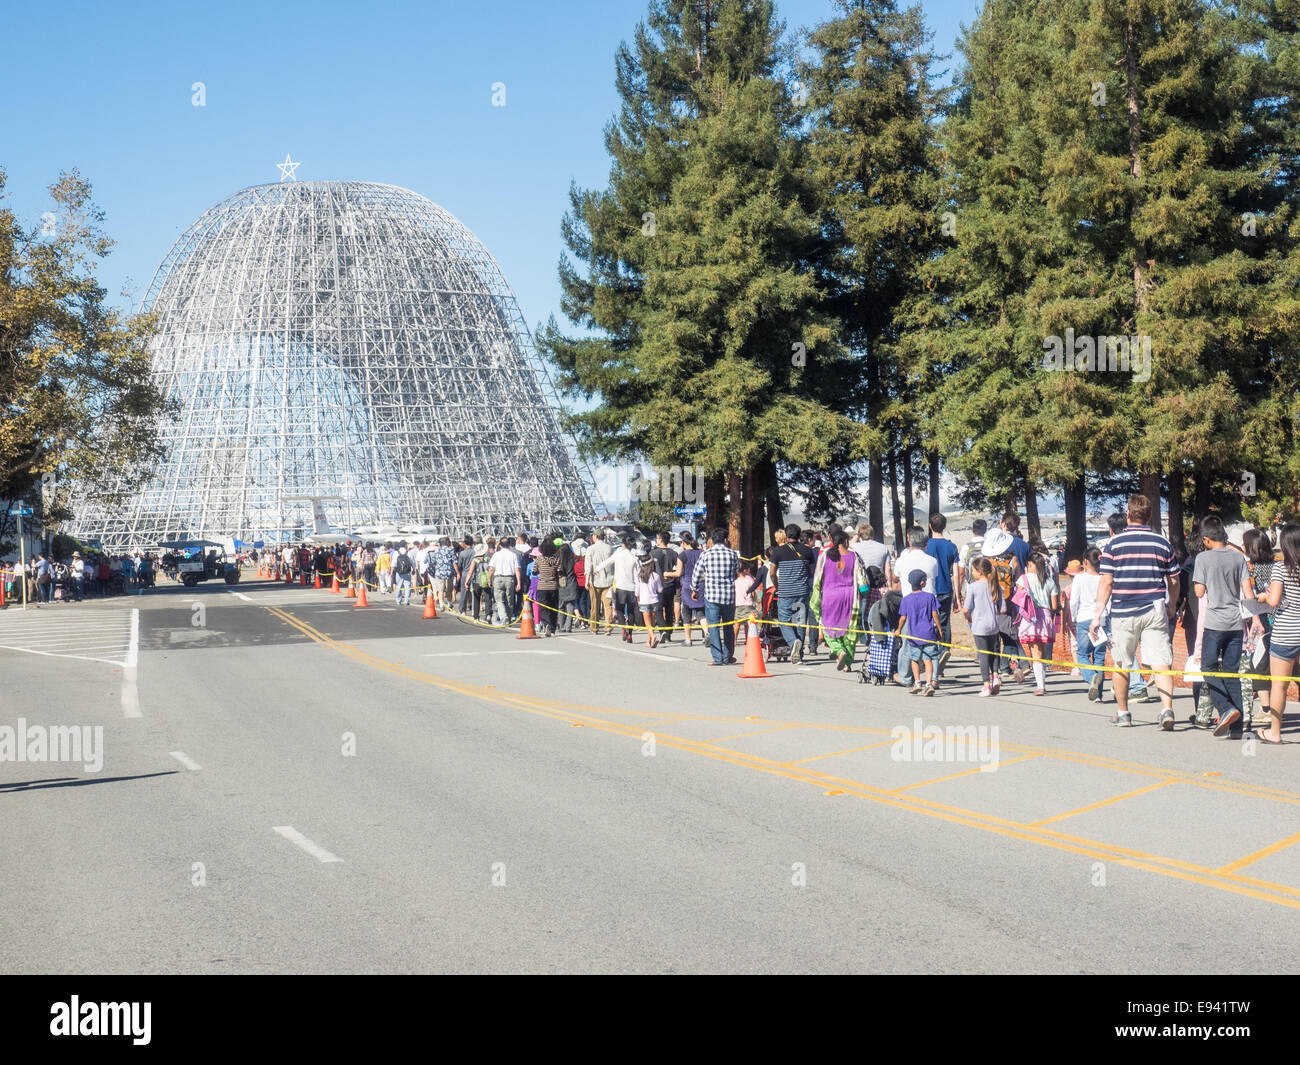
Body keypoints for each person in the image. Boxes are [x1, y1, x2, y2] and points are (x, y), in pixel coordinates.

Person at [1090, 493, 1180, 729]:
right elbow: (1174, 579)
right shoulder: (1162, 543)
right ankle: (1166, 709)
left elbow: (1106, 582)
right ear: (1149, 515)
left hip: (1123, 611)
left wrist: (1098, 614)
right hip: (1154, 608)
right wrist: (1172, 604)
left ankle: (1123, 713)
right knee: (1161, 662)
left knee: (1121, 663)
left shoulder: (1114, 544)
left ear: (1128, 514)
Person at [1193, 515, 1255, 737]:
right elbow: (1248, 592)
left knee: (1208, 668)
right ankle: (1238, 727)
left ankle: (1226, 708)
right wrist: (1256, 620)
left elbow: (1199, 592)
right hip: (1236, 623)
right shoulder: (1238, 559)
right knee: (1232, 673)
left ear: (1207, 539)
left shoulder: (1203, 558)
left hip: (1214, 623)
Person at [1253, 522, 1300, 744]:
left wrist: (1262, 597)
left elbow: (1272, 601)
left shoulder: (1281, 568)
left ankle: (1275, 732)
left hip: (1285, 632)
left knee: (1279, 685)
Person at [812, 530, 865, 671]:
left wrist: (817, 595)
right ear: (846, 541)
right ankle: (847, 663)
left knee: (827, 626)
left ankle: (838, 649)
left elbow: (817, 577)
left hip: (830, 595)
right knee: (849, 629)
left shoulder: (824, 555)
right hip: (849, 596)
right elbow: (862, 578)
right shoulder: (855, 556)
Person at [689, 527, 740, 665]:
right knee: (728, 626)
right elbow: (737, 571)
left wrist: (695, 589)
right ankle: (728, 656)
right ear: (725, 540)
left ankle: (718, 657)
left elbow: (697, 574)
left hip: (711, 596)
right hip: (728, 596)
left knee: (714, 626)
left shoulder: (706, 554)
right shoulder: (732, 554)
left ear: (712, 540)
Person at [1241, 528, 1275, 731]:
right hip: (1282, 623)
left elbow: (1250, 596)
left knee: (1259, 665)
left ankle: (1266, 709)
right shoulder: (1279, 566)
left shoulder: (1250, 569)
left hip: (1260, 622)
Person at [1015, 552, 1060, 696]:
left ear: (1030, 564)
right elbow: (1054, 606)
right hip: (1046, 618)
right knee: (1041, 651)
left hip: (1031, 618)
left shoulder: (1023, 579)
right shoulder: (1050, 582)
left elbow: (1019, 600)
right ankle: (1042, 683)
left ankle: (1041, 686)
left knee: (1035, 653)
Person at [771, 523, 814, 664]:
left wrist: (777, 586)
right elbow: (811, 570)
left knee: (784, 621)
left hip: (785, 592)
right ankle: (799, 656)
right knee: (799, 622)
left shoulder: (777, 552)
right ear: (799, 534)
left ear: (786, 534)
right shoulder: (807, 551)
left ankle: (793, 641)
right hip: (802, 592)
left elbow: (772, 573)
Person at [925, 513, 961, 675]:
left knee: (929, 622)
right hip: (946, 588)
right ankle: (944, 649)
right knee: (945, 623)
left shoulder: (926, 546)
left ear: (930, 526)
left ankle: (933, 655)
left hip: (929, 589)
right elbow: (956, 573)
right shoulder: (951, 546)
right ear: (944, 526)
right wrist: (958, 595)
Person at [1070, 548, 1108, 702]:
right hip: (1102, 618)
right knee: (1099, 657)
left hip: (1084, 618)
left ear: (1085, 561)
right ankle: (1098, 694)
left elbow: (1074, 601)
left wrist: (1073, 617)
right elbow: (1108, 600)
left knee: (1083, 655)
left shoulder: (1079, 579)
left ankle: (1092, 678)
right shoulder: (1103, 578)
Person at [896, 570, 942, 695]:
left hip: (914, 635)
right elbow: (935, 615)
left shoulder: (906, 600)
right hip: (928, 634)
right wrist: (940, 629)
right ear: (922, 583)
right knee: (928, 660)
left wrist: (898, 629)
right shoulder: (930, 597)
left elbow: (903, 618)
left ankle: (917, 682)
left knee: (914, 659)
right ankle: (928, 683)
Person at [964, 557, 1002, 696]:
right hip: (993, 624)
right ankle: (996, 676)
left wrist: (968, 618)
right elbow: (1002, 608)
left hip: (979, 625)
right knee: (994, 651)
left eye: (973, 570)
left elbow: (966, 608)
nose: (972, 573)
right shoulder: (995, 585)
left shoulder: (973, 587)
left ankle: (986, 684)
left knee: (983, 655)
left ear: (980, 572)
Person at [594, 536, 640, 643]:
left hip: (620, 586)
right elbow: (637, 575)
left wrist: (597, 569)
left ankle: (624, 628)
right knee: (631, 611)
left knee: (619, 609)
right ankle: (630, 634)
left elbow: (607, 562)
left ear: (623, 544)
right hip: (632, 587)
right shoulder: (634, 557)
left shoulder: (618, 554)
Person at [652, 532, 682, 642]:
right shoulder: (674, 554)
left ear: (660, 539)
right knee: (669, 608)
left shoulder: (653, 553)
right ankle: (669, 632)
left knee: (658, 608)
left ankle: (662, 629)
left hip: (657, 584)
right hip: (671, 583)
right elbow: (677, 569)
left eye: (657, 538)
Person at [586, 531, 615, 636]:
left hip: (595, 580)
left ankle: (594, 627)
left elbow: (588, 566)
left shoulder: (590, 549)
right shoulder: (610, 548)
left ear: (595, 536)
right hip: (609, 580)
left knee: (595, 605)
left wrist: (587, 580)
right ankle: (608, 627)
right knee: (608, 605)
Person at [679, 533, 705, 647]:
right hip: (701, 583)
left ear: (683, 543)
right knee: (701, 611)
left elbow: (678, 573)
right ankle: (707, 633)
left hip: (688, 583)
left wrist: (666, 573)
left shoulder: (682, 555)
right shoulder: (701, 552)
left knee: (686, 612)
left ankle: (688, 639)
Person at [489, 539, 521, 625]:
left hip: (498, 578)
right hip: (509, 579)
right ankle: (509, 618)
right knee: (510, 599)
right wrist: (519, 582)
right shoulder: (513, 555)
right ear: (509, 545)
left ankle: (503, 616)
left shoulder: (496, 555)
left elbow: (491, 569)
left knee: (499, 600)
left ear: (500, 545)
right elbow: (517, 569)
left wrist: (489, 579)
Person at [533, 538, 561, 636]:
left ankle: (547, 624)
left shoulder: (539, 559)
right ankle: (552, 629)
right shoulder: (556, 559)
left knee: (543, 608)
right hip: (553, 586)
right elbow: (560, 571)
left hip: (542, 586)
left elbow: (534, 571)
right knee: (553, 608)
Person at [637, 552, 664, 647]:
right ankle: (649, 641)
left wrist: (638, 600)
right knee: (652, 622)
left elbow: (637, 591)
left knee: (647, 623)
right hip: (654, 600)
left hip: (644, 601)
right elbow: (660, 589)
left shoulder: (639, 576)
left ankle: (652, 636)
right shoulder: (655, 576)